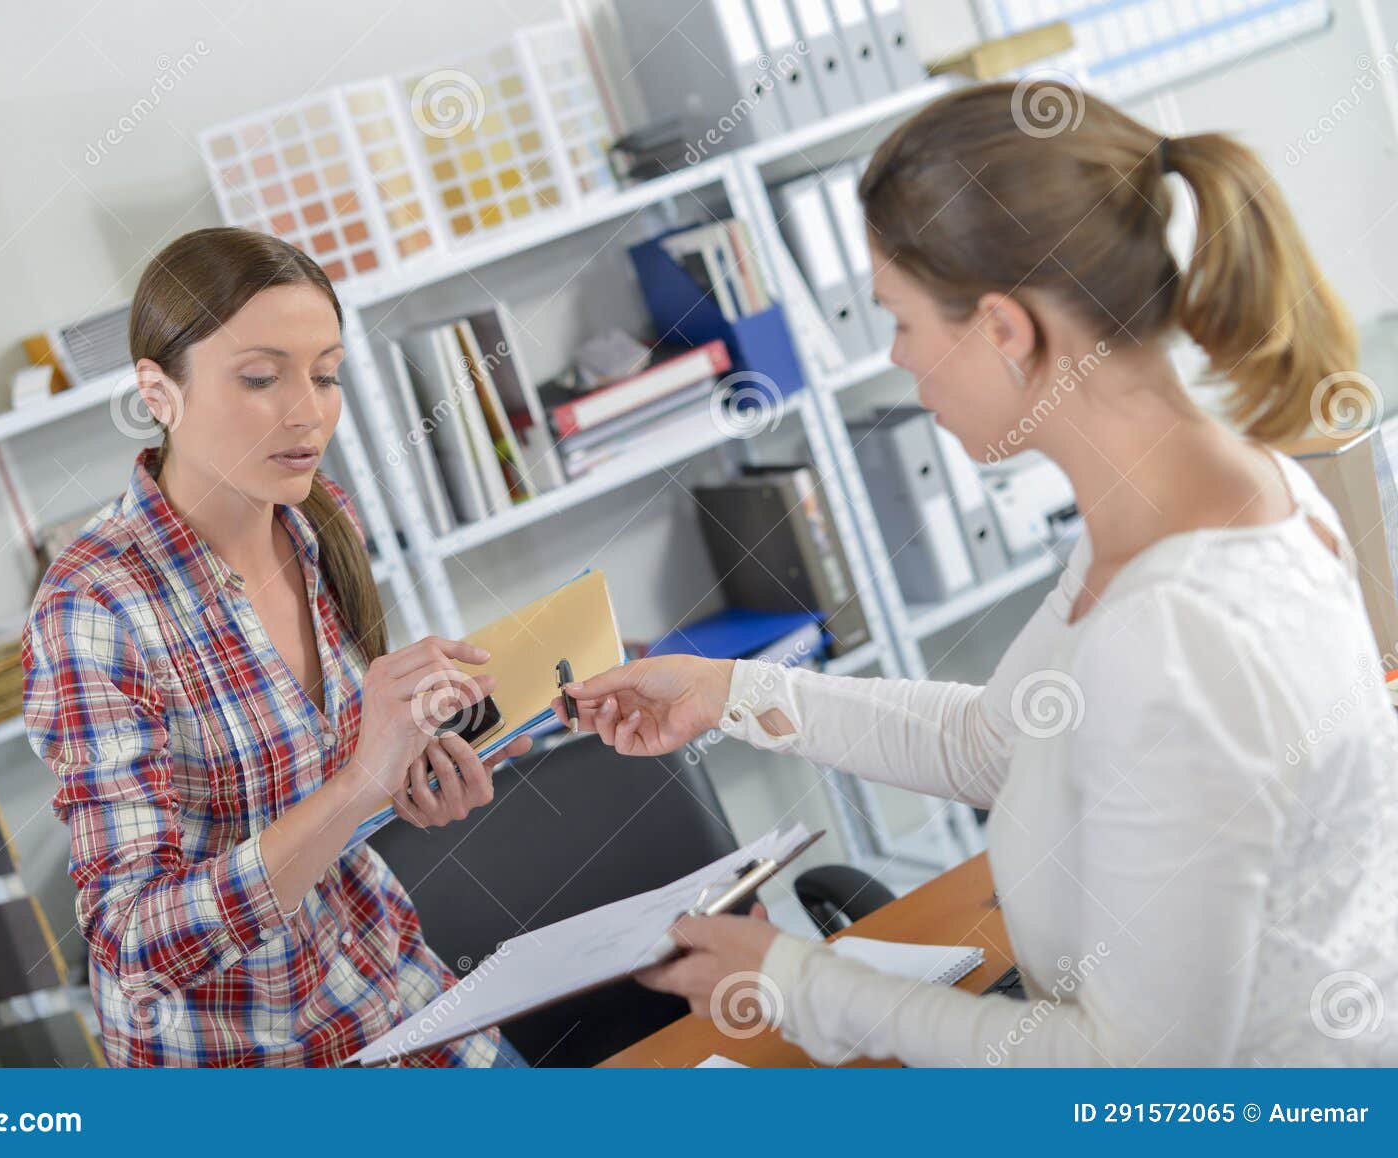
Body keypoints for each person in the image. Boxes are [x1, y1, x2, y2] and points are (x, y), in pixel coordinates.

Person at [555, 82, 1398, 1065]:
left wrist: (791, 983)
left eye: (903, 321)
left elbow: (1133, 1079)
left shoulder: (1174, 626)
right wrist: (728, 691)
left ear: (1004, 328)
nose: (899, 359)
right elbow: (994, 742)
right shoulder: (1201, 501)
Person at [22, 227, 530, 1066]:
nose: (308, 412)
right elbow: (135, 944)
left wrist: (405, 771)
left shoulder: (315, 517)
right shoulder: (95, 610)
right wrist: (360, 782)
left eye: (326, 375)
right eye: (261, 378)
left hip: (386, 995)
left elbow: (324, 781)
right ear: (159, 392)